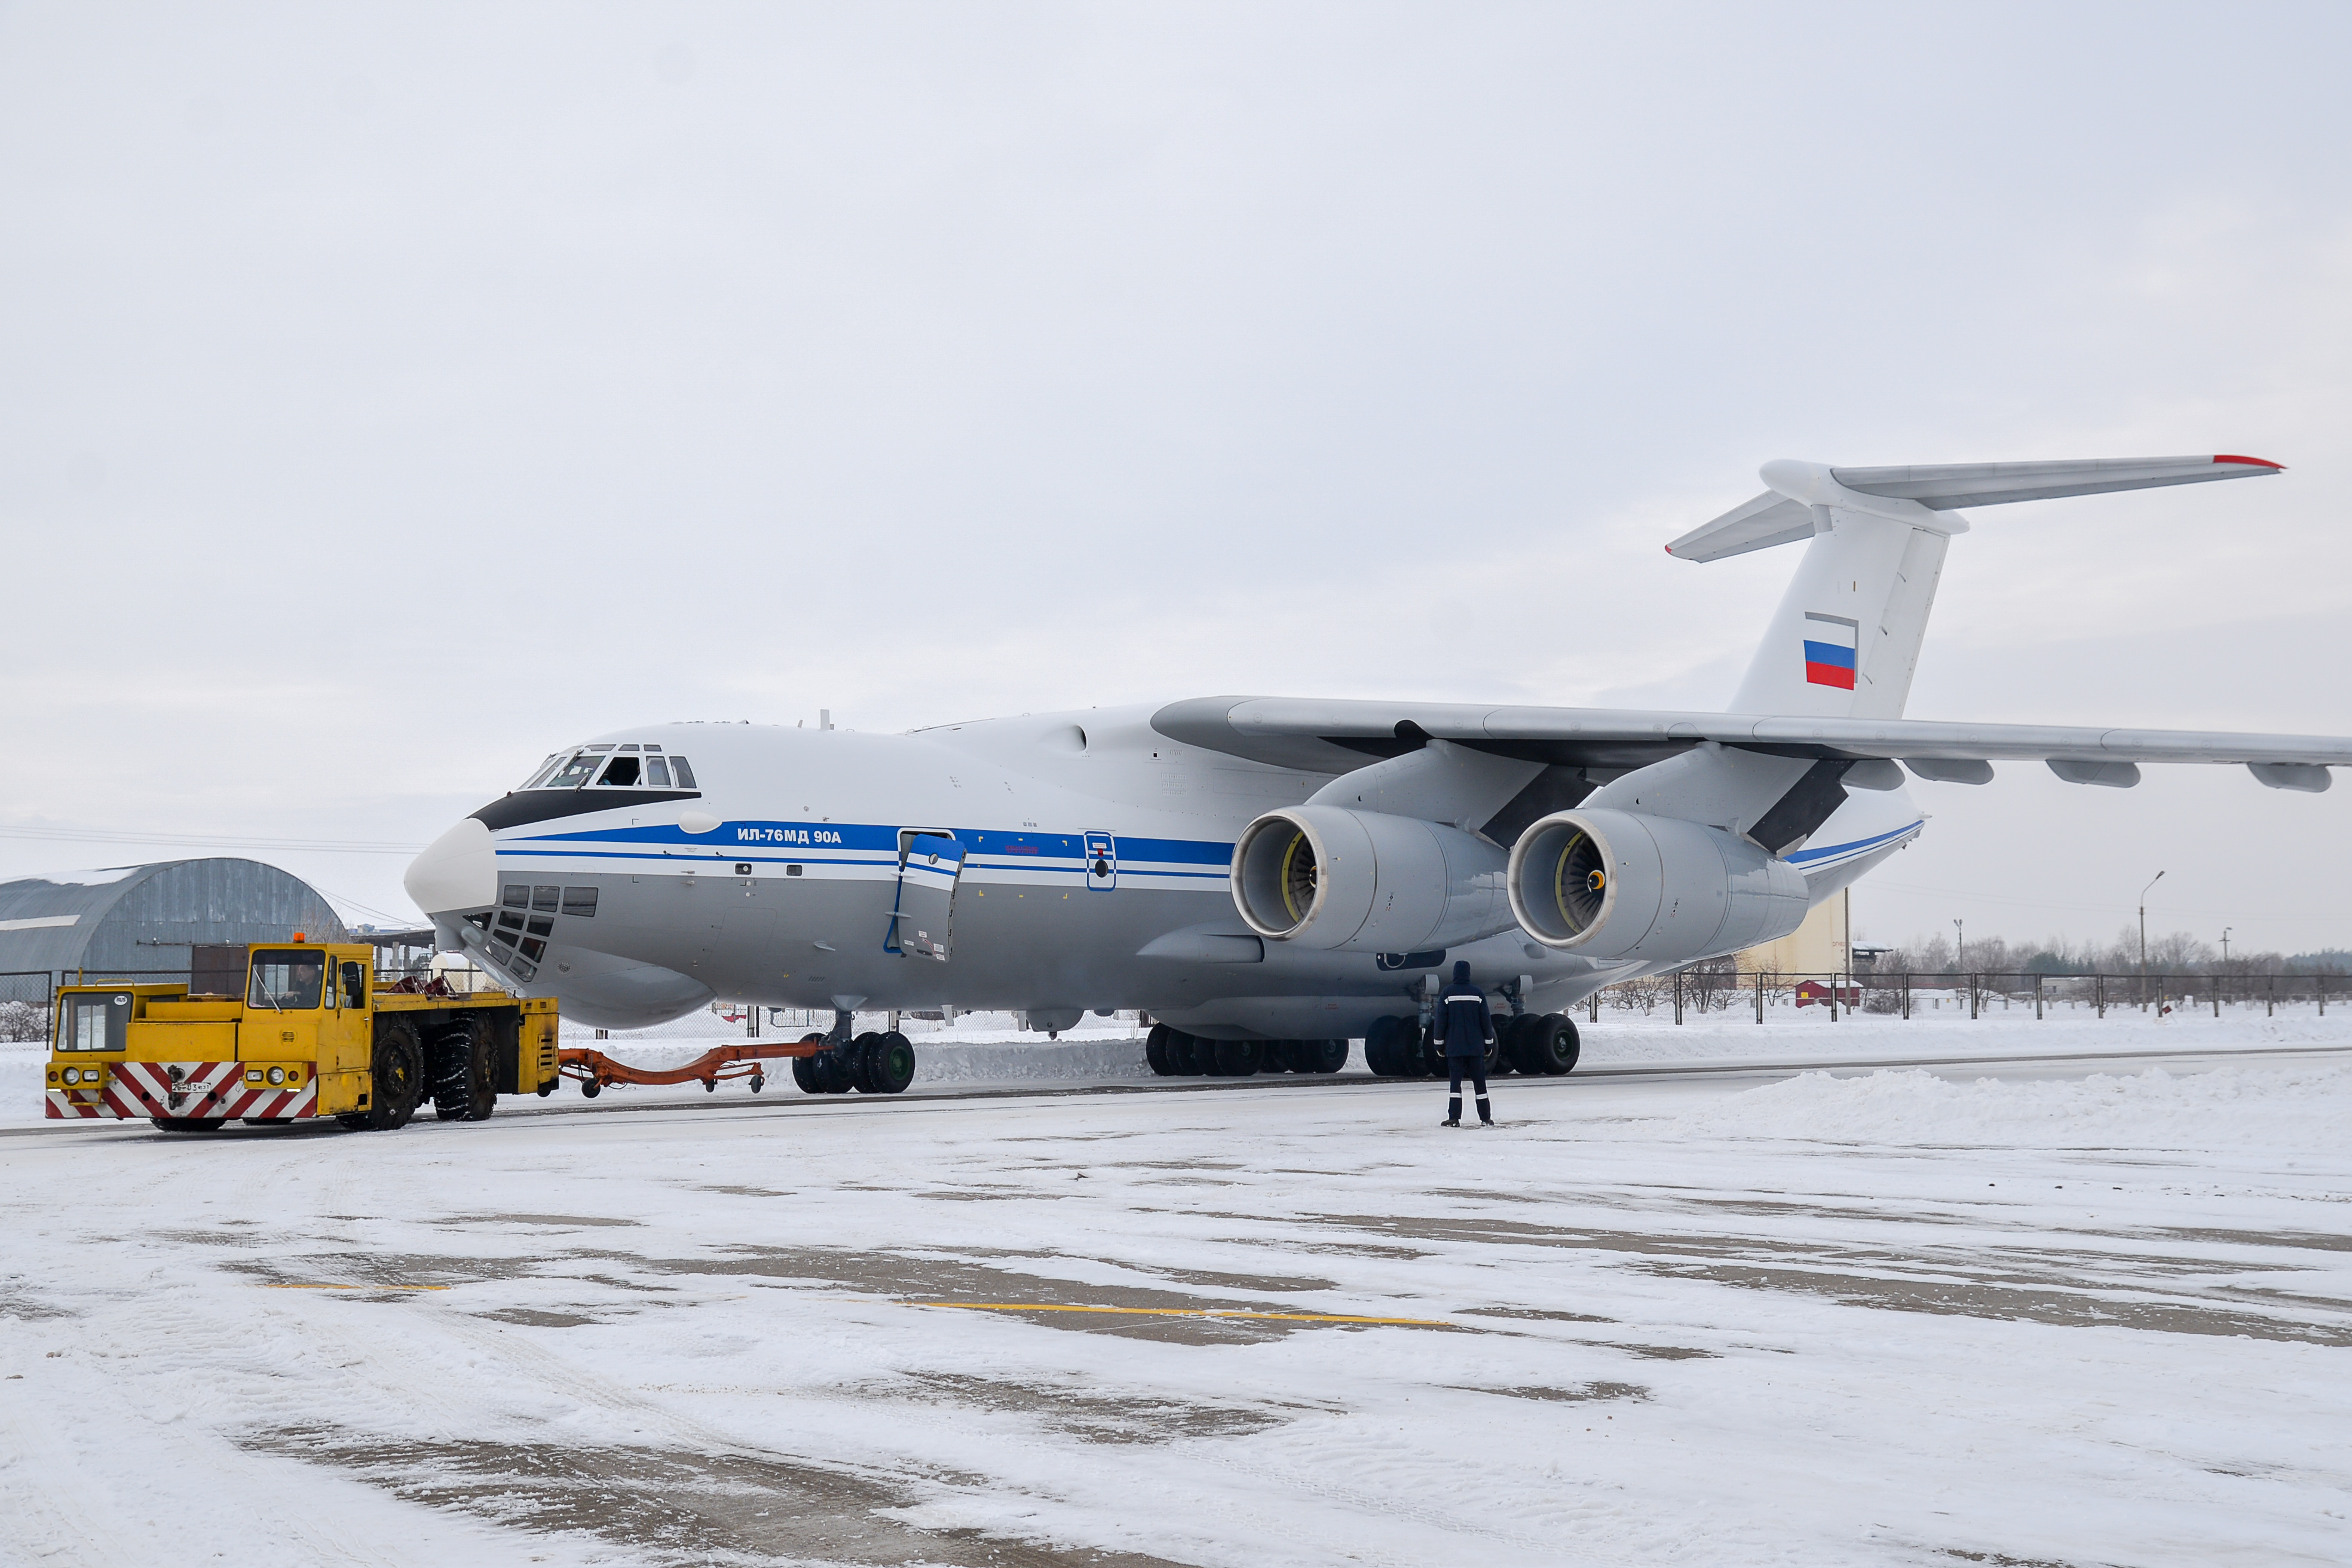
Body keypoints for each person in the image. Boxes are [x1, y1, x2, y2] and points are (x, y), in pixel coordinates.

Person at [1431, 960, 1496, 1127]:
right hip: (1475, 1048)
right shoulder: (1478, 994)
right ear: (1468, 974)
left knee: (1455, 1084)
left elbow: (1441, 1022)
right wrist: (1489, 1044)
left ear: (1455, 974)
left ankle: (1454, 1118)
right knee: (1480, 1083)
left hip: (1455, 1048)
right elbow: (1486, 1022)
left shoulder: (1447, 994)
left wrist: (1439, 1044)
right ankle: (1485, 1118)